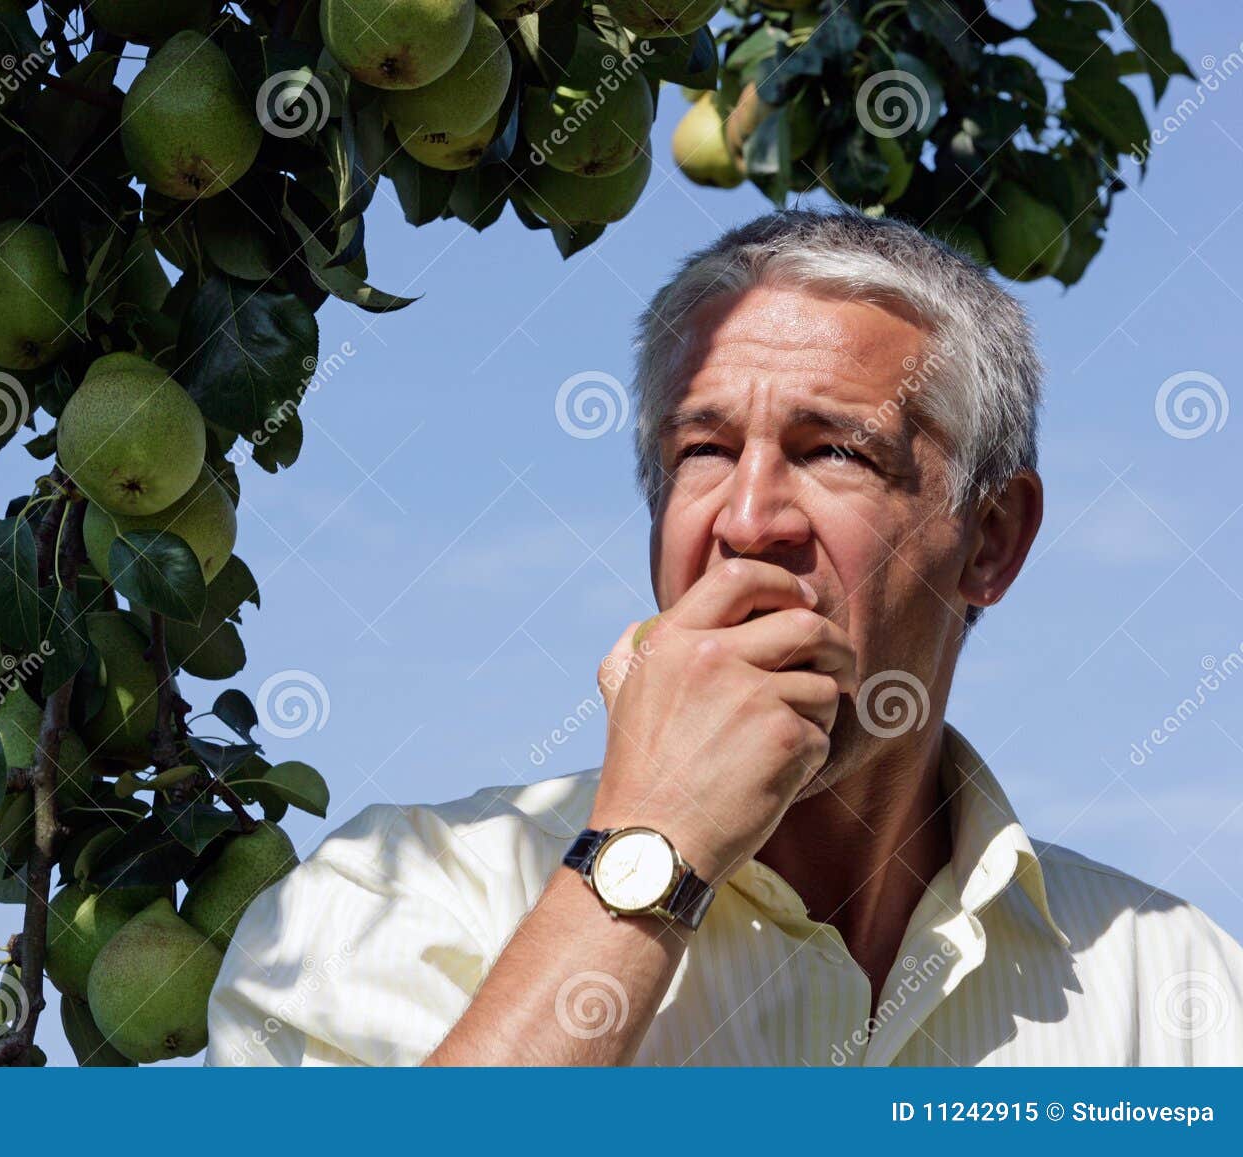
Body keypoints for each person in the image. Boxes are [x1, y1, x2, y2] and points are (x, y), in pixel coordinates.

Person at [205, 209, 1243, 1066]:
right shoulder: (384, 900)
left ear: (990, 539)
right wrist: (649, 851)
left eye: (835, 450)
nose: (749, 518)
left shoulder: (1181, 993)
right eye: (703, 450)